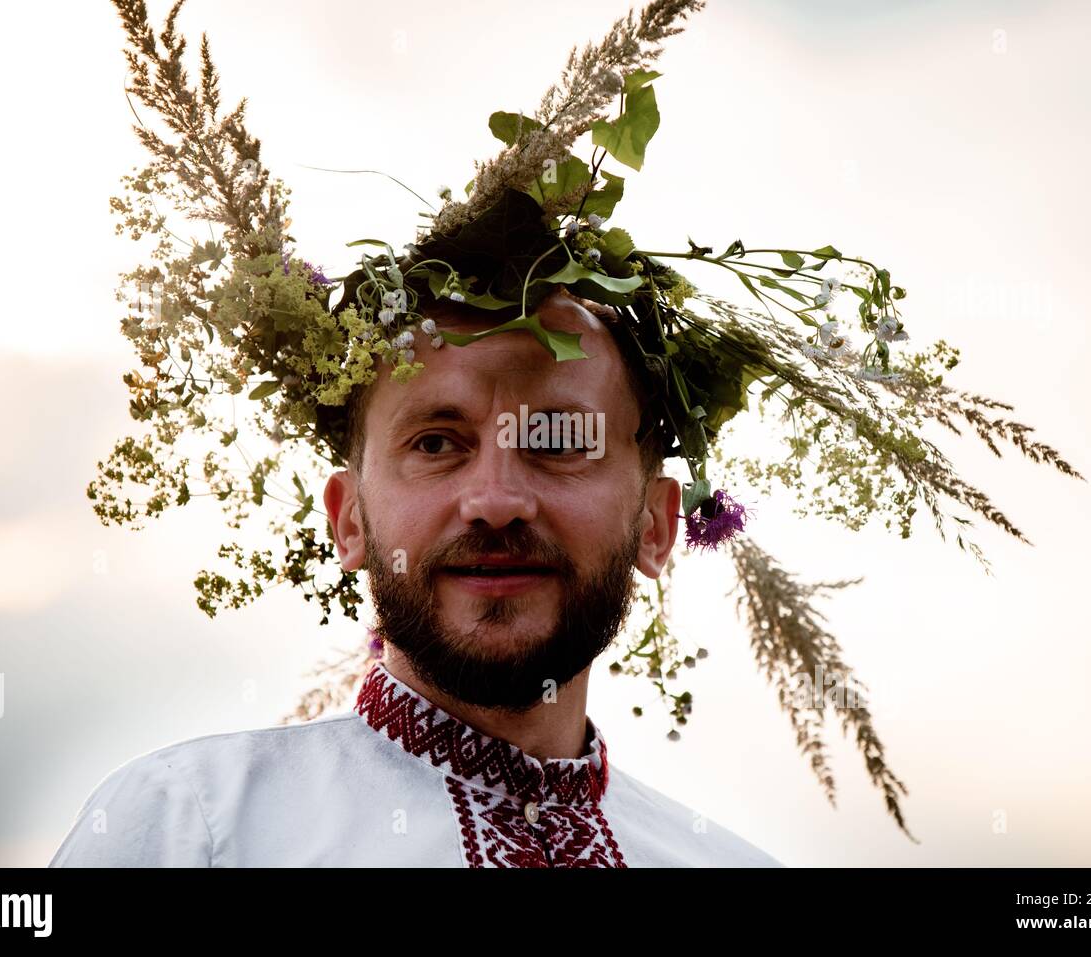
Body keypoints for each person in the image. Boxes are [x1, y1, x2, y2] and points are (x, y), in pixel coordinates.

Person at [49, 287, 784, 868]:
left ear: (656, 527)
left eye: (558, 441)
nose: (496, 502)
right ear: (351, 520)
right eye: (436, 442)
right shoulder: (191, 830)